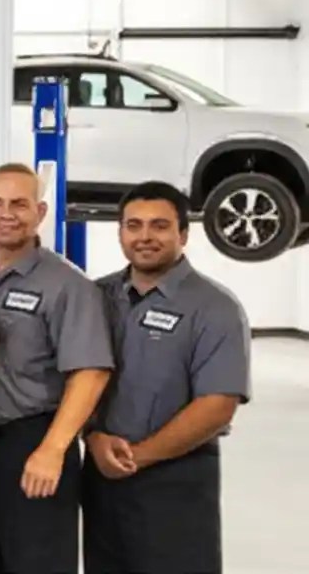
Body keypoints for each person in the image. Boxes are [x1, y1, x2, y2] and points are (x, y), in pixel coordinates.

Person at [82, 181, 250, 574]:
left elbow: (217, 407)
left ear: (183, 234)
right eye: (134, 225)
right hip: (101, 475)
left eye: (159, 226)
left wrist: (138, 457)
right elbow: (76, 378)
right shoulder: (96, 296)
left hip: (177, 479)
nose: (144, 237)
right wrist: (92, 436)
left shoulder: (214, 308)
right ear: (120, 232)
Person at [0, 162, 114, 574]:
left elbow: (90, 372)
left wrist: (52, 450)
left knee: (38, 561)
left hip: (32, 441)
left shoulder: (67, 285)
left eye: (19, 204)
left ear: (40, 213)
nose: (6, 214)